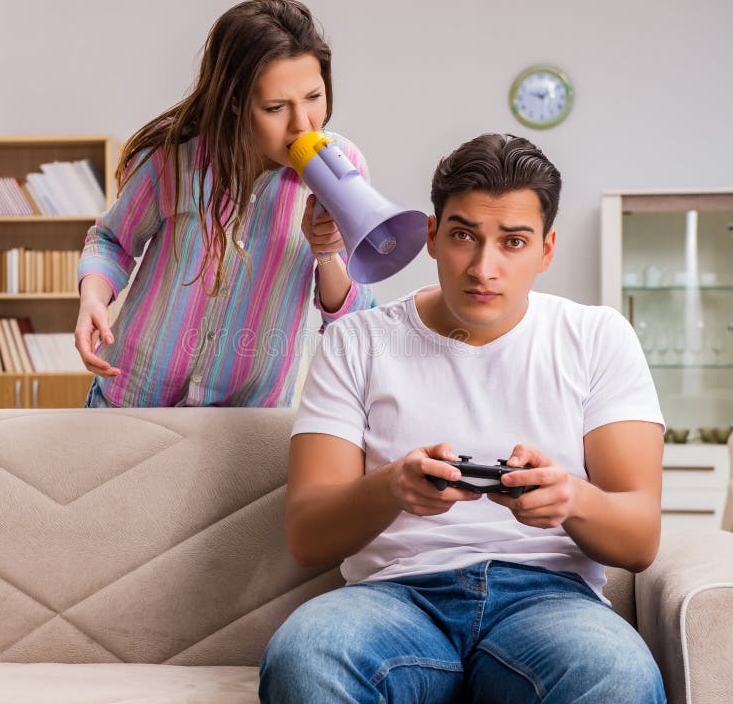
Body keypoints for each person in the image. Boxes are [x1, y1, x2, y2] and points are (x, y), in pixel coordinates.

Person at [259, 133, 666, 703]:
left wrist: (571, 498)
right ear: (431, 236)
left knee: (618, 675)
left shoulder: (598, 338)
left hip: (550, 600)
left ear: (546, 250)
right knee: (307, 655)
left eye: (513, 242)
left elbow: (640, 536)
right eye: (463, 236)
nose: (483, 267)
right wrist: (392, 488)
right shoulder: (357, 342)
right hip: (394, 597)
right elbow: (307, 536)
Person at [75, 0, 374, 408]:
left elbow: (351, 319)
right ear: (235, 101)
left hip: (244, 427)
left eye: (313, 97)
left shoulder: (344, 167)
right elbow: (113, 239)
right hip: (132, 402)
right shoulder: (174, 155)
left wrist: (327, 254)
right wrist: (93, 298)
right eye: (275, 107)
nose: (302, 123)